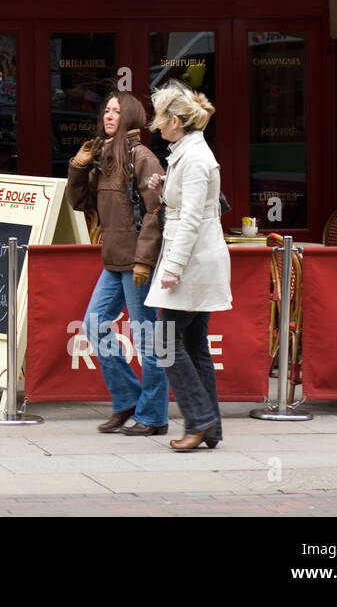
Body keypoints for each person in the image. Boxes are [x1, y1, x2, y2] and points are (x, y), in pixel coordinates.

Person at [67, 91, 168, 436]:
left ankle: (153, 416)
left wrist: (144, 260)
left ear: (131, 117)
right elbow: (82, 202)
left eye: (116, 111)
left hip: (137, 262)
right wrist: (78, 167)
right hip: (114, 260)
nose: (108, 116)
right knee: (93, 325)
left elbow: (157, 211)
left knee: (147, 339)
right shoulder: (106, 156)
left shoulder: (141, 157)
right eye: (106, 111)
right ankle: (127, 400)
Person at [144, 81, 232, 451]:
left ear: (176, 121)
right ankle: (209, 427)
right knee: (194, 344)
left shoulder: (194, 158)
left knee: (165, 342)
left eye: (162, 118)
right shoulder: (189, 153)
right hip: (194, 262)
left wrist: (173, 267)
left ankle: (200, 421)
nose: (156, 124)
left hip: (191, 263)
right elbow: (193, 205)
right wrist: (165, 184)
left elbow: (193, 218)